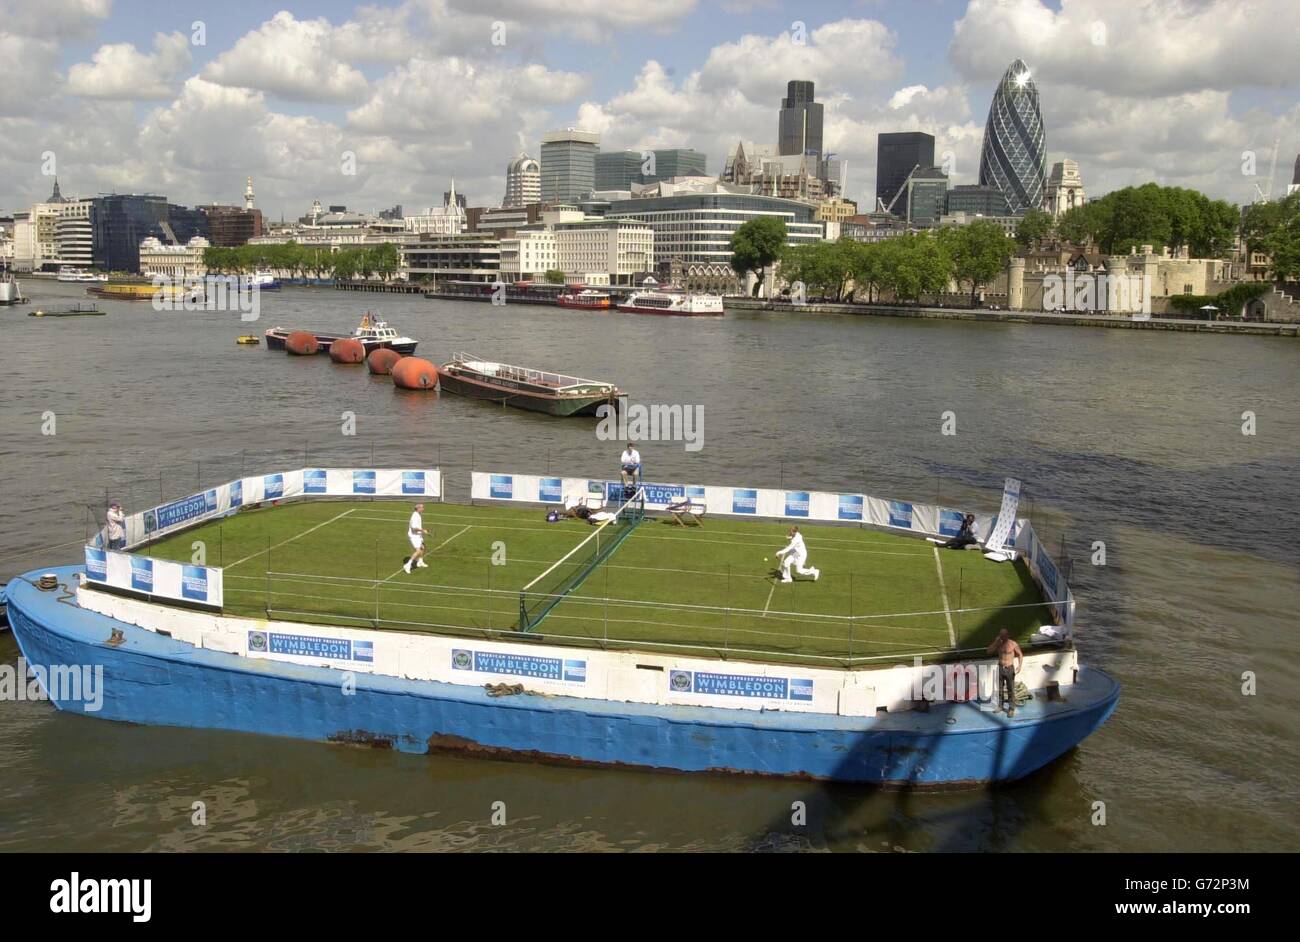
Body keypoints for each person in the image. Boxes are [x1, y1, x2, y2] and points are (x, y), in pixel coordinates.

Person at [987, 629, 1024, 716]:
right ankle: (1000, 706)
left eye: (1003, 635)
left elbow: (1020, 654)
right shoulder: (998, 644)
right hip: (1000, 668)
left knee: (1010, 689)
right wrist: (995, 642)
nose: (1002, 637)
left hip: (1009, 669)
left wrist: (1019, 666)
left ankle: (1011, 708)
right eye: (1001, 635)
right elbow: (988, 651)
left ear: (1007, 635)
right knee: (1000, 688)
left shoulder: (1013, 644)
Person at [403, 502, 429, 573]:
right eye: (422, 507)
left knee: (423, 547)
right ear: (418, 508)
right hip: (414, 536)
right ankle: (408, 565)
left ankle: (420, 561)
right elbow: (414, 528)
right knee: (418, 551)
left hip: (418, 535)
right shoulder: (415, 516)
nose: (423, 509)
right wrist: (423, 530)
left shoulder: (418, 515)